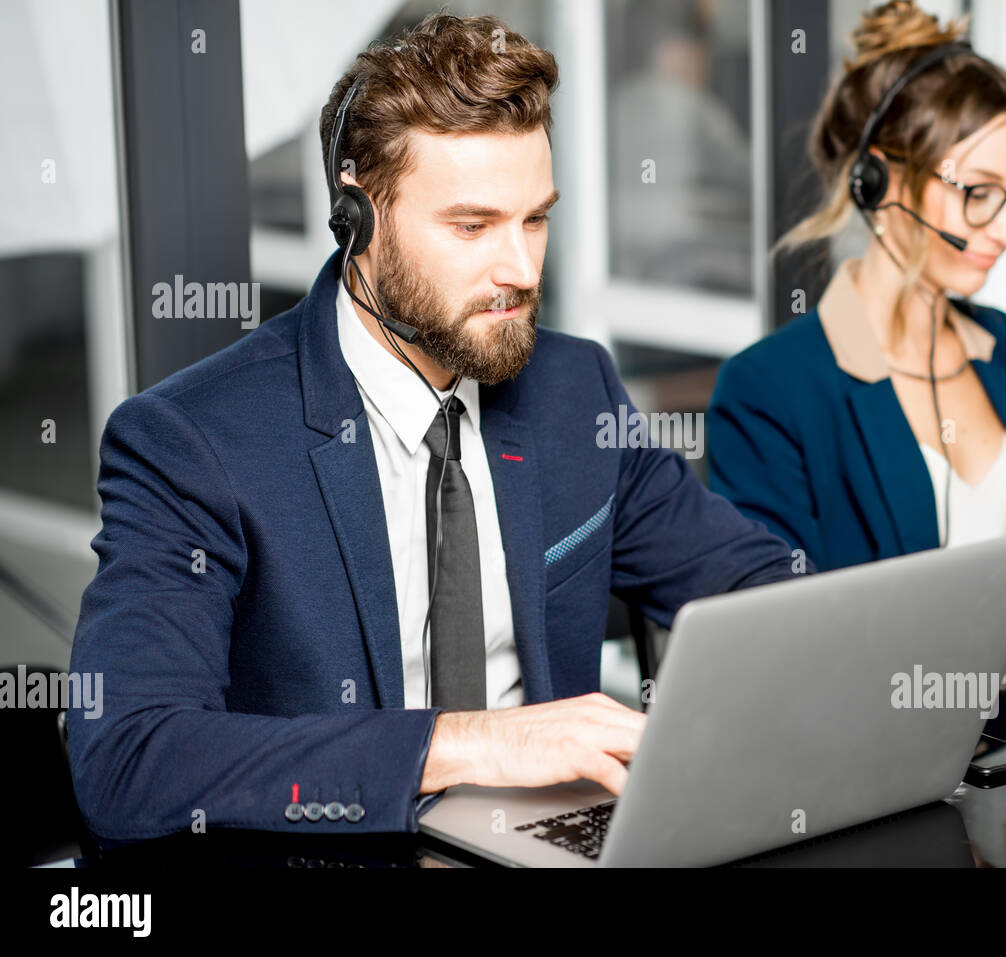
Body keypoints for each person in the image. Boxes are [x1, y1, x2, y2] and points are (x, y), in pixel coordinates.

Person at [67, 13, 800, 844]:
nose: (520, 270)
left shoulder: (572, 391)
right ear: (360, 221)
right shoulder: (192, 442)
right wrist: (466, 743)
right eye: (472, 226)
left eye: (535, 219)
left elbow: (754, 588)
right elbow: (126, 757)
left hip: (559, 844)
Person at [707, 1, 1006, 639]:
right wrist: (996, 597)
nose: (1004, 229)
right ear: (878, 182)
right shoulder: (771, 388)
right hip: (879, 735)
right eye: (978, 193)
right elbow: (781, 630)